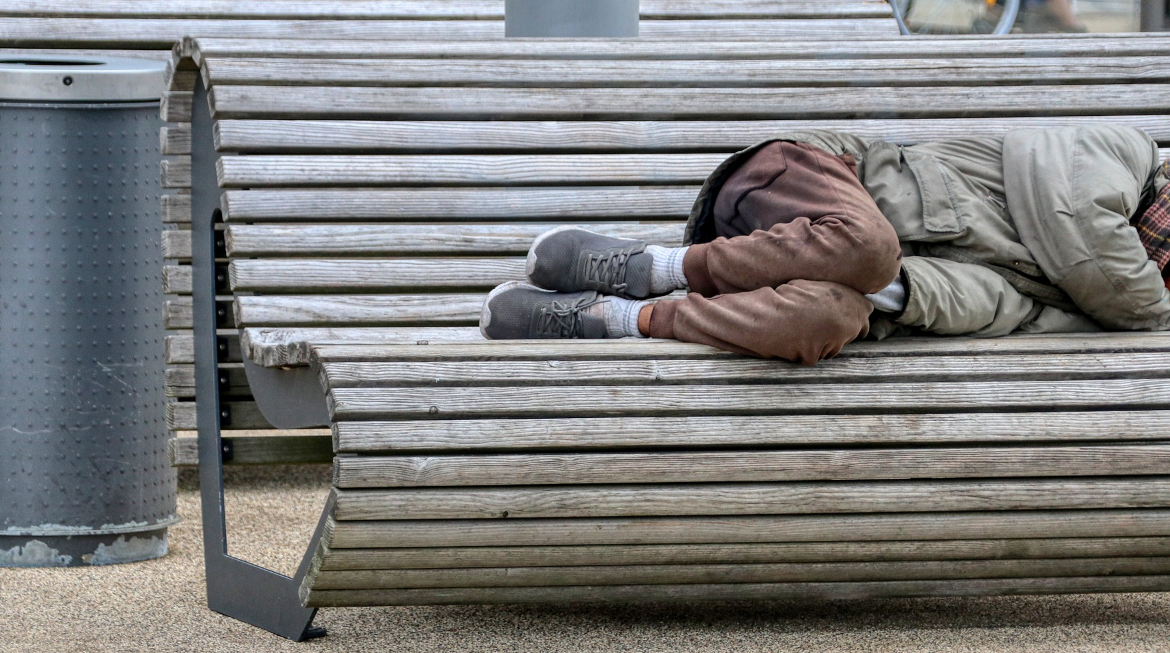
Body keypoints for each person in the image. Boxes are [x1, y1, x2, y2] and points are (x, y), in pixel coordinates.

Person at [480, 126, 1170, 364]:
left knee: (833, 320)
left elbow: (978, 304)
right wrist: (1144, 310)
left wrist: (891, 298)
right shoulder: (1119, 154)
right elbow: (1086, 239)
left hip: (823, 269)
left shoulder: (1083, 297)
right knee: (869, 247)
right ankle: (651, 267)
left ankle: (616, 318)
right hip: (801, 182)